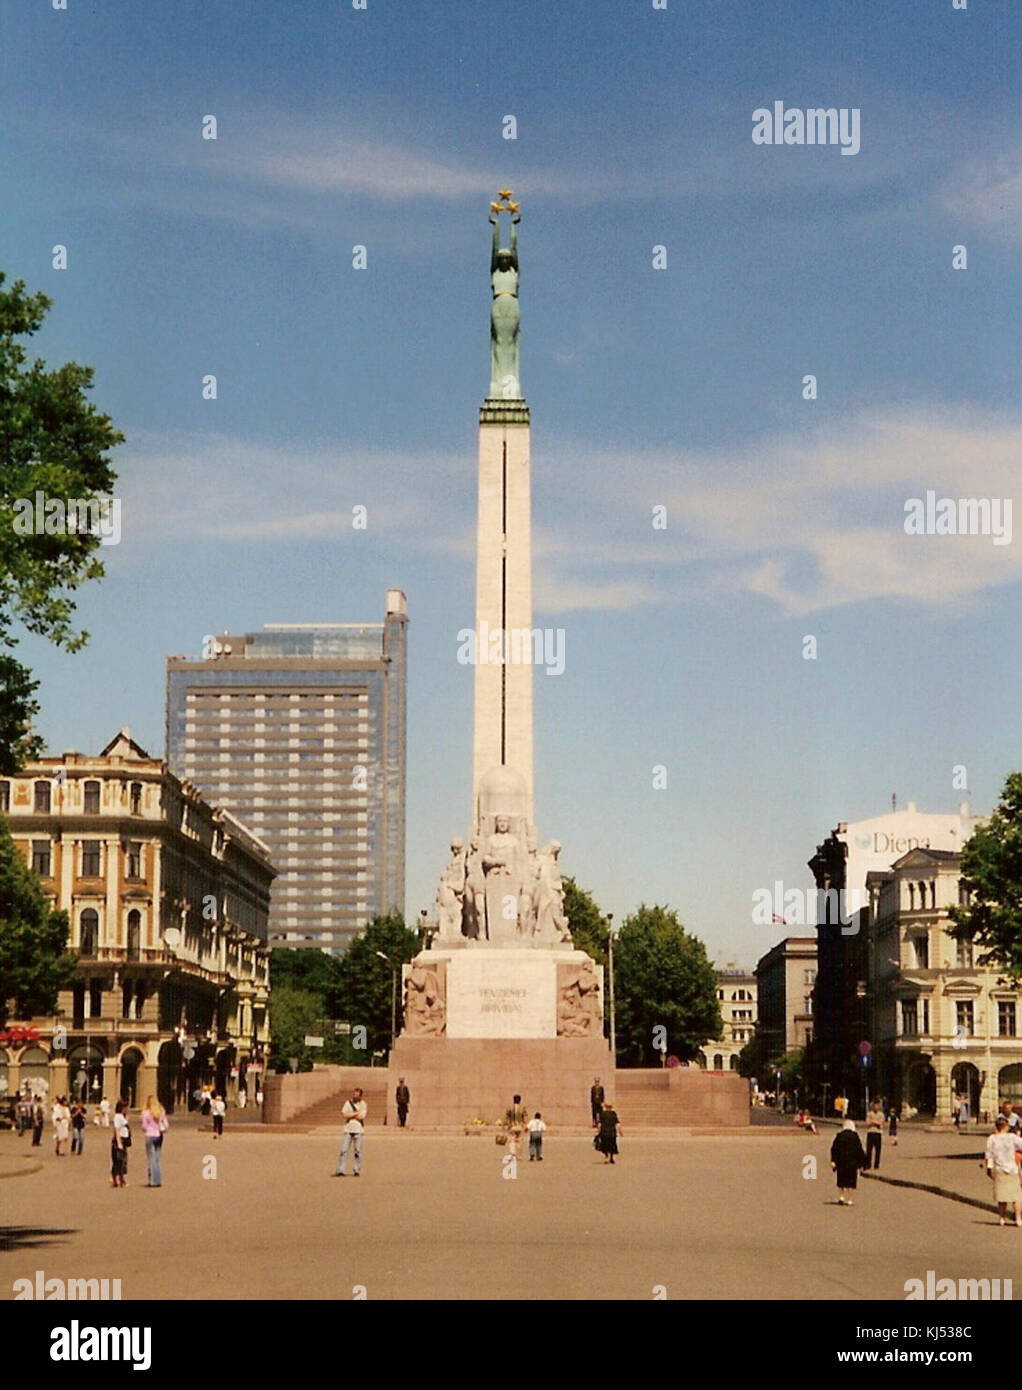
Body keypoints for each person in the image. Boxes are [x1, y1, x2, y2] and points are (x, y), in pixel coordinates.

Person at [983, 1115, 1022, 1227]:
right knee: (1016, 1197)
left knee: (1002, 1197)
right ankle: (1018, 1219)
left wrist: (989, 1169)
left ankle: (1002, 1218)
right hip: (1012, 1169)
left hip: (999, 1169)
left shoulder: (992, 1138)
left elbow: (988, 1155)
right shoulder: (1012, 1137)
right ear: (1006, 1126)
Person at [830, 1118, 867, 1205]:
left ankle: (841, 1197)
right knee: (851, 1181)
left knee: (841, 1180)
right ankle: (850, 1199)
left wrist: (833, 1160)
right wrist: (862, 1163)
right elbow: (859, 1150)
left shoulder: (839, 1136)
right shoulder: (855, 1136)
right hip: (852, 1162)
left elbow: (834, 1149)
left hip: (841, 1161)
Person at [335, 1087, 367, 1176]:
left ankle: (357, 1170)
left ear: (360, 1096)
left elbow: (362, 1116)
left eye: (357, 1095)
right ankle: (341, 1169)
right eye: (354, 1094)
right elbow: (344, 1114)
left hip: (358, 1129)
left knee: (358, 1151)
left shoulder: (363, 1104)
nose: (355, 1096)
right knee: (344, 1150)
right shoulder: (348, 1103)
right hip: (348, 1129)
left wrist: (350, 1115)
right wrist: (356, 1113)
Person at [141, 1096, 169, 1187]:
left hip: (150, 1135)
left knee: (151, 1159)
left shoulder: (146, 1113)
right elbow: (166, 1125)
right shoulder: (161, 1112)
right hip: (159, 1136)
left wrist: (146, 1129)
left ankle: (152, 1181)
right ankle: (158, 1180)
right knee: (157, 1159)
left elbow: (144, 1126)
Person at [110, 1100, 130, 1188]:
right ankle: (120, 1179)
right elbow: (117, 1130)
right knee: (120, 1161)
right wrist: (119, 1142)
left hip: (123, 1140)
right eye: (125, 1107)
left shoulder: (121, 1116)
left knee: (121, 1161)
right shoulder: (118, 1117)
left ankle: (118, 1179)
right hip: (120, 1140)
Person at [596, 1099, 621, 1164]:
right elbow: (617, 1123)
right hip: (612, 1131)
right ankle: (611, 1157)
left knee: (605, 1145)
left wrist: (598, 1131)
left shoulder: (603, 1114)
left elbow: (599, 1124)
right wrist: (620, 1131)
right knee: (612, 1145)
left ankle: (607, 1157)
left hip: (604, 1131)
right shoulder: (613, 1113)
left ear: (605, 1106)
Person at [865, 1100, 884, 1169]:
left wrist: (873, 1122)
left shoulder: (881, 1114)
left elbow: (881, 1124)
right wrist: (876, 1122)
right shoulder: (869, 1114)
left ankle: (876, 1165)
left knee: (878, 1150)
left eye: (877, 1106)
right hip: (870, 1132)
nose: (876, 1107)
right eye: (875, 1106)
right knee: (869, 1150)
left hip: (878, 1133)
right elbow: (867, 1123)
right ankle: (868, 1164)